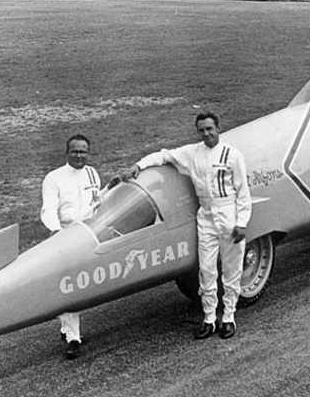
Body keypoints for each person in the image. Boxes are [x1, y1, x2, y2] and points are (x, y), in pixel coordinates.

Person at [129, 112, 251, 339]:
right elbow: (164, 155)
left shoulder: (232, 155)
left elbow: (243, 193)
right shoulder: (192, 153)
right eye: (202, 130)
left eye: (209, 129)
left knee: (232, 270)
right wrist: (139, 165)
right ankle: (208, 318)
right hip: (205, 217)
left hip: (229, 215)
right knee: (206, 271)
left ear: (218, 128)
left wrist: (241, 223)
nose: (206, 134)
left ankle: (229, 317)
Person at [41, 134, 101, 359]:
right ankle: (73, 337)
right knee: (69, 286)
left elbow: (97, 203)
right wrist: (57, 233)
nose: (79, 155)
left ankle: (67, 329)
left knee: (84, 283)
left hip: (88, 234)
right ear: (67, 153)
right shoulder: (54, 178)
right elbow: (48, 209)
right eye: (75, 151)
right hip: (65, 235)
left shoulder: (92, 173)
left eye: (83, 151)